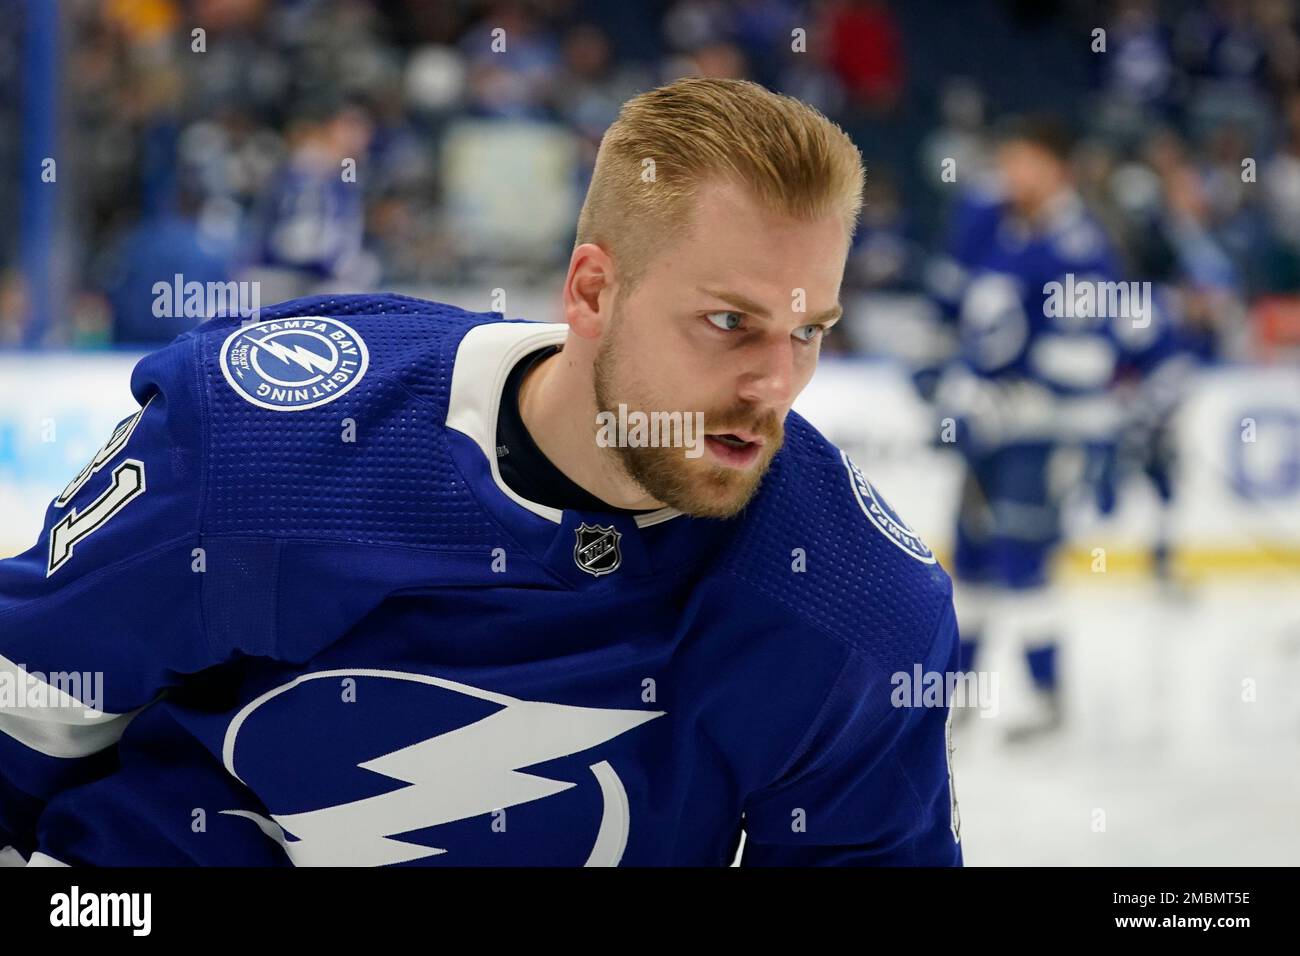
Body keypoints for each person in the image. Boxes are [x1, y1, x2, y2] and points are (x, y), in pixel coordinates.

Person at [0, 78, 961, 866]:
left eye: (808, 333)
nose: (774, 384)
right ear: (593, 289)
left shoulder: (852, 606)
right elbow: (27, 707)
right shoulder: (275, 446)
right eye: (729, 323)